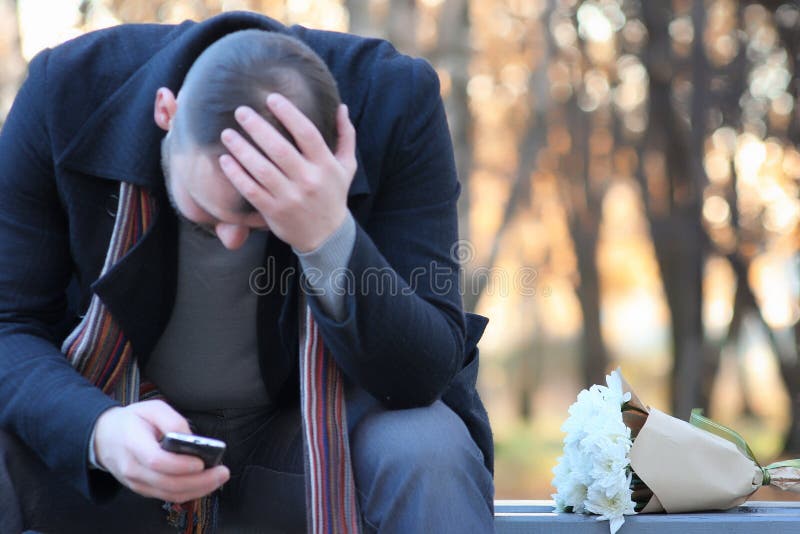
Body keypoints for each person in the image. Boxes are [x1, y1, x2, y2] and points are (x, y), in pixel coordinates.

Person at [0, 10, 494, 534]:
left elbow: (426, 369)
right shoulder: (68, 92)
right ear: (166, 112)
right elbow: (8, 322)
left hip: (313, 440)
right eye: (207, 211)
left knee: (427, 448)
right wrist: (96, 431)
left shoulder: (393, 100)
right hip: (118, 421)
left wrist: (327, 234)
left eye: (261, 220)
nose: (232, 238)